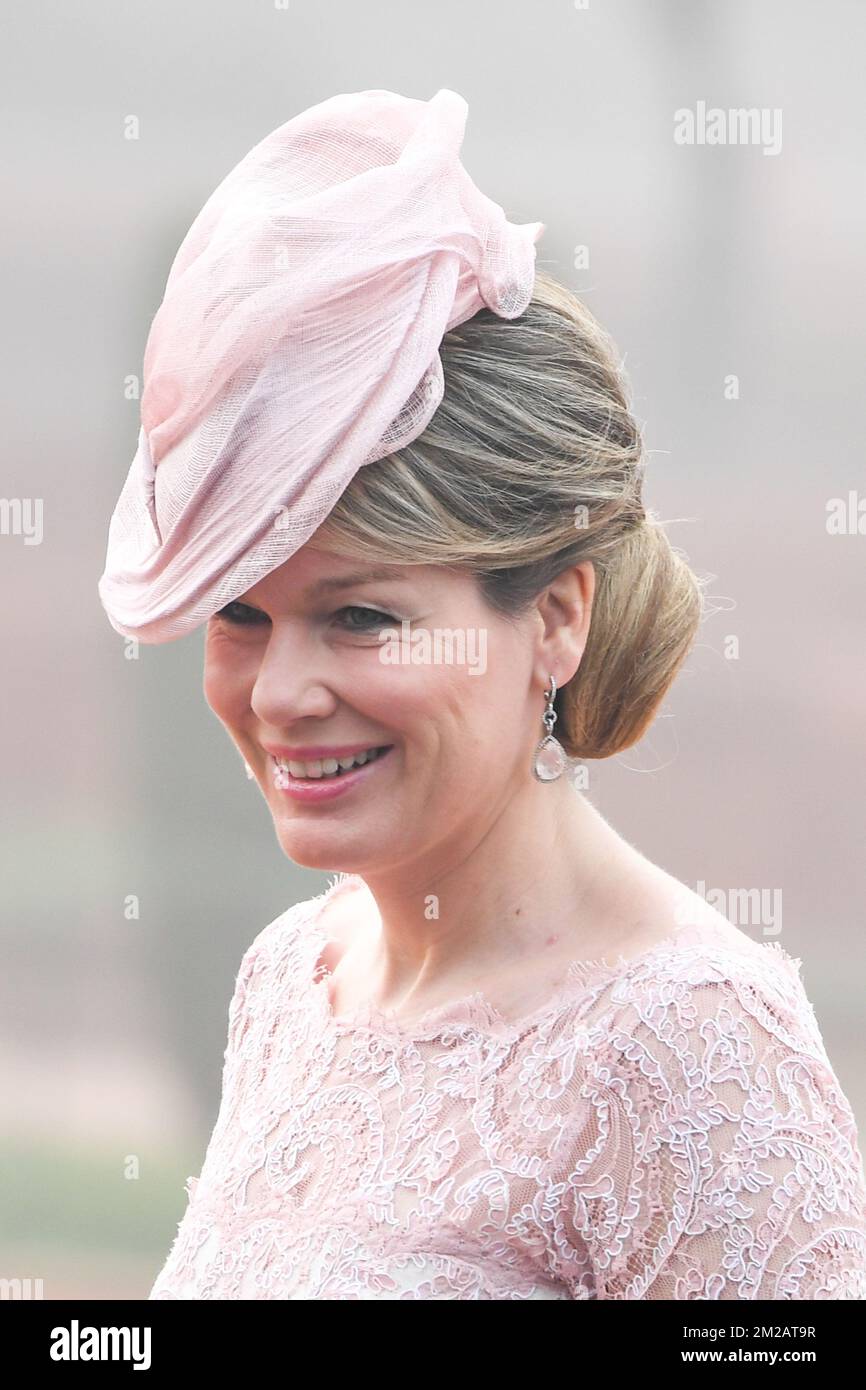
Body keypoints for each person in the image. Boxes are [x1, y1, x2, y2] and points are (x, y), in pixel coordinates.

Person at [99, 88, 866, 1300]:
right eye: (240, 615)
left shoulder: (688, 1049)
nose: (281, 691)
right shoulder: (292, 978)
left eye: (361, 616)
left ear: (553, 619)